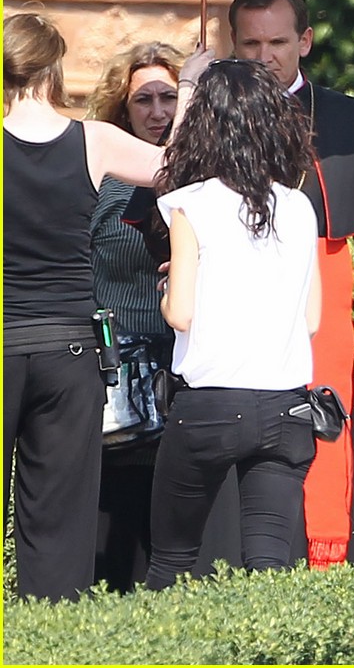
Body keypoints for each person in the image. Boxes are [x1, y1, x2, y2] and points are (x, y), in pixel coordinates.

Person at [179, 0, 354, 569]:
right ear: (230, 44)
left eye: (279, 42)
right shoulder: (211, 124)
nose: (265, 57)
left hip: (322, 317)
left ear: (306, 41)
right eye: (251, 44)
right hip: (228, 314)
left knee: (318, 439)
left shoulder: (353, 122)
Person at [3, 13, 165, 601]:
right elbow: (185, 166)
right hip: (70, 351)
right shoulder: (93, 141)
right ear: (54, 69)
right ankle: (52, 639)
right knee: (59, 519)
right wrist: (192, 87)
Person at [144, 58, 321, 589]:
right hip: (289, 405)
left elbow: (181, 314)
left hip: (212, 404)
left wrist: (166, 290)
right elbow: (310, 319)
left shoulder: (189, 206)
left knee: (171, 563)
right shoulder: (298, 206)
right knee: (269, 574)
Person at [85, 41, 185, 592]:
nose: (157, 112)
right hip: (116, 370)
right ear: (122, 111)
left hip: (185, 368)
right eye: (142, 100)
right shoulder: (107, 178)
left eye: (169, 96)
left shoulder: (209, 181)